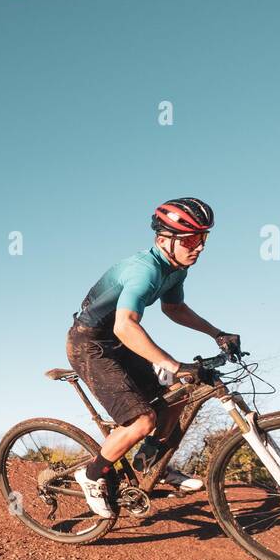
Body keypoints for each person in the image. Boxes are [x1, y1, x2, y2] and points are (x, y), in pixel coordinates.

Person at [66, 197, 241, 518]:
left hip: (119, 341)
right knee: (143, 419)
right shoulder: (144, 271)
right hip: (91, 343)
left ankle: (152, 466)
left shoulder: (175, 269)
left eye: (203, 238)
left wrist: (217, 333)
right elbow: (125, 325)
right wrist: (172, 365)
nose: (199, 247)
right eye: (190, 239)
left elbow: (174, 309)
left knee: (175, 395)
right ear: (162, 240)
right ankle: (91, 476)